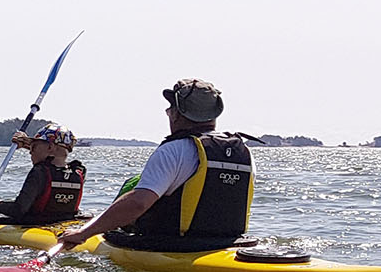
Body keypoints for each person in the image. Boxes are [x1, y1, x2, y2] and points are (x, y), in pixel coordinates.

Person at [56, 79, 252, 252]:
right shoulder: (243, 151)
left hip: (175, 246)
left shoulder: (174, 149)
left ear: (176, 114)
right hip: (227, 244)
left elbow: (138, 203)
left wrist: (84, 233)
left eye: (170, 109)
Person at [0, 122, 86, 225]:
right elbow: (58, 155)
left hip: (36, 223)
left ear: (50, 147)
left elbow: (18, 210)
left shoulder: (40, 172)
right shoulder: (79, 171)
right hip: (65, 223)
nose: (30, 151)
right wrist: (27, 144)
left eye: (34, 147)